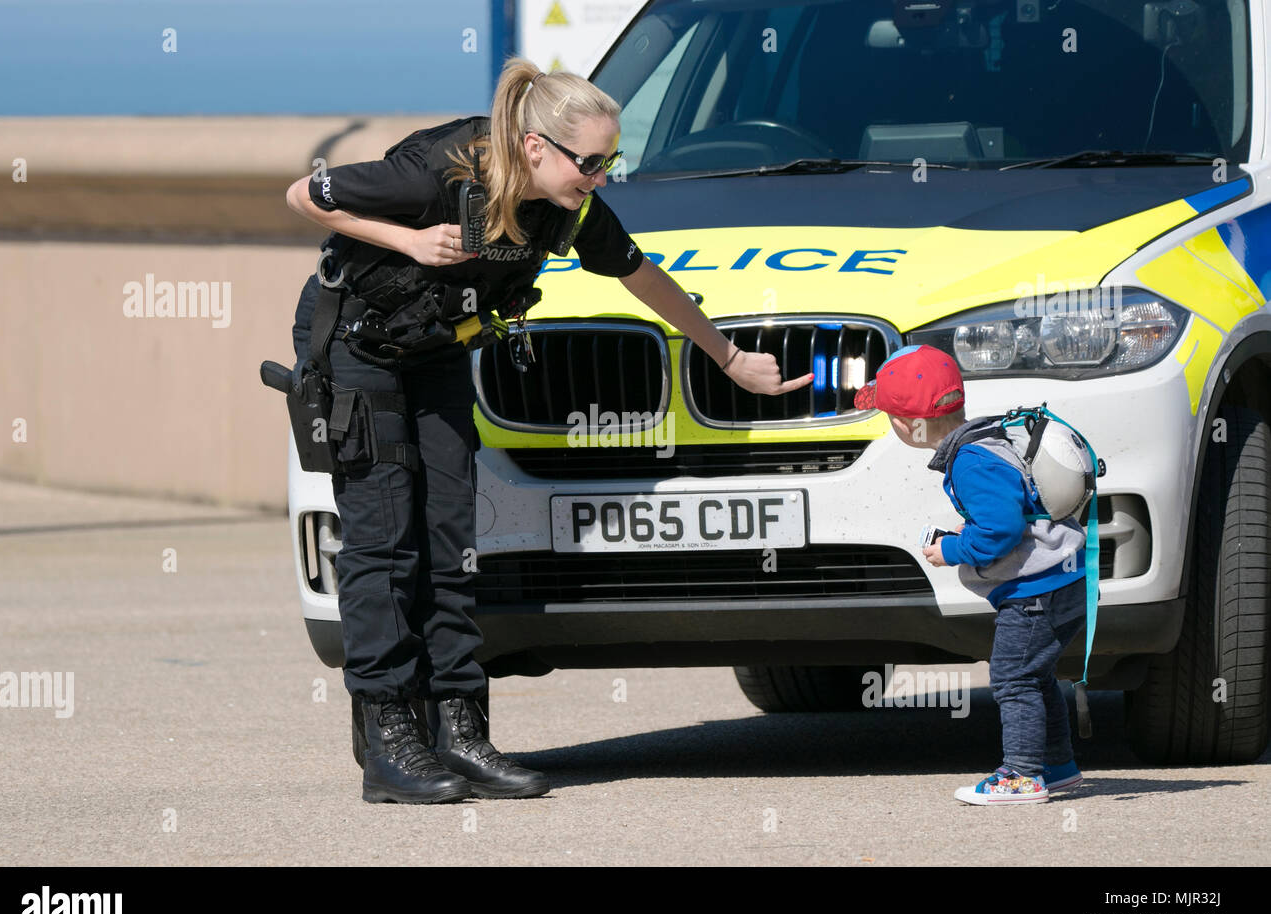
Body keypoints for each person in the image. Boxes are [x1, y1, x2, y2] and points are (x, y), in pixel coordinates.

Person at [283, 57, 814, 805]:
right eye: (589, 163)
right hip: (356, 347)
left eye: (611, 162)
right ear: (536, 149)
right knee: (384, 539)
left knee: (448, 537)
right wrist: (409, 243)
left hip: (434, 349)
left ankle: (460, 734)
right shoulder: (435, 172)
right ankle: (389, 742)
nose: (599, 177)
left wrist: (727, 357)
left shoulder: (569, 205)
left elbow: (642, 274)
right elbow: (304, 193)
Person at [854, 345, 1086, 805]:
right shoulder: (985, 440)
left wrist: (952, 549)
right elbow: (1008, 514)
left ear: (906, 424)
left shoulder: (970, 461)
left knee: (1012, 680)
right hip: (1060, 580)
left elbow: (1000, 531)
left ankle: (1021, 775)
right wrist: (972, 531)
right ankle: (1056, 767)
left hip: (1033, 594)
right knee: (1035, 678)